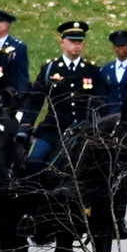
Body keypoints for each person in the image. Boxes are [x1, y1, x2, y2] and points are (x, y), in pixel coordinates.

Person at [28, 19, 100, 166]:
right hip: (54, 130)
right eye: (72, 41)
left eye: (79, 41)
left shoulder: (92, 71)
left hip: (83, 131)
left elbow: (101, 101)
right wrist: (25, 126)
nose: (77, 45)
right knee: (33, 161)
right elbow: (35, 100)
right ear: (62, 42)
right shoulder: (50, 69)